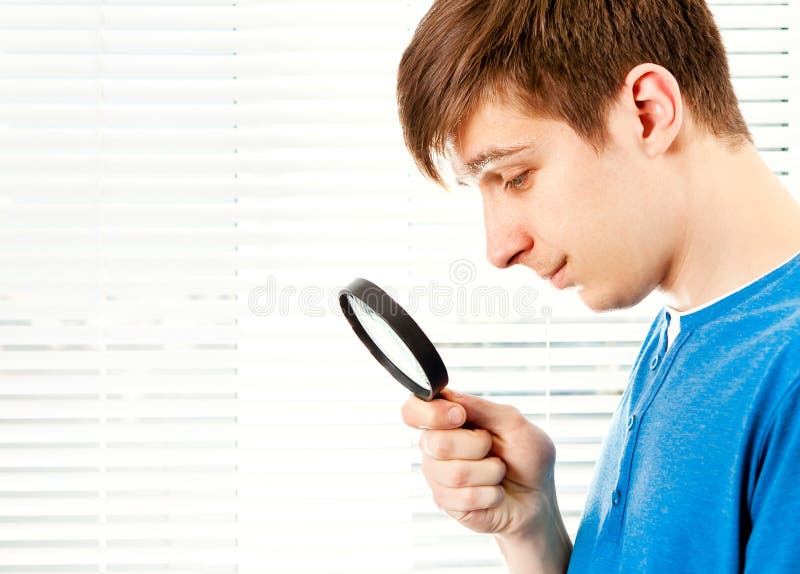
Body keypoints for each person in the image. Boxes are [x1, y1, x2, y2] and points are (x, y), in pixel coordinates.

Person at [394, 1, 800, 572]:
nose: (499, 249)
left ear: (648, 114)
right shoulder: (682, 333)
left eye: (517, 176)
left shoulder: (788, 373)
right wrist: (530, 530)